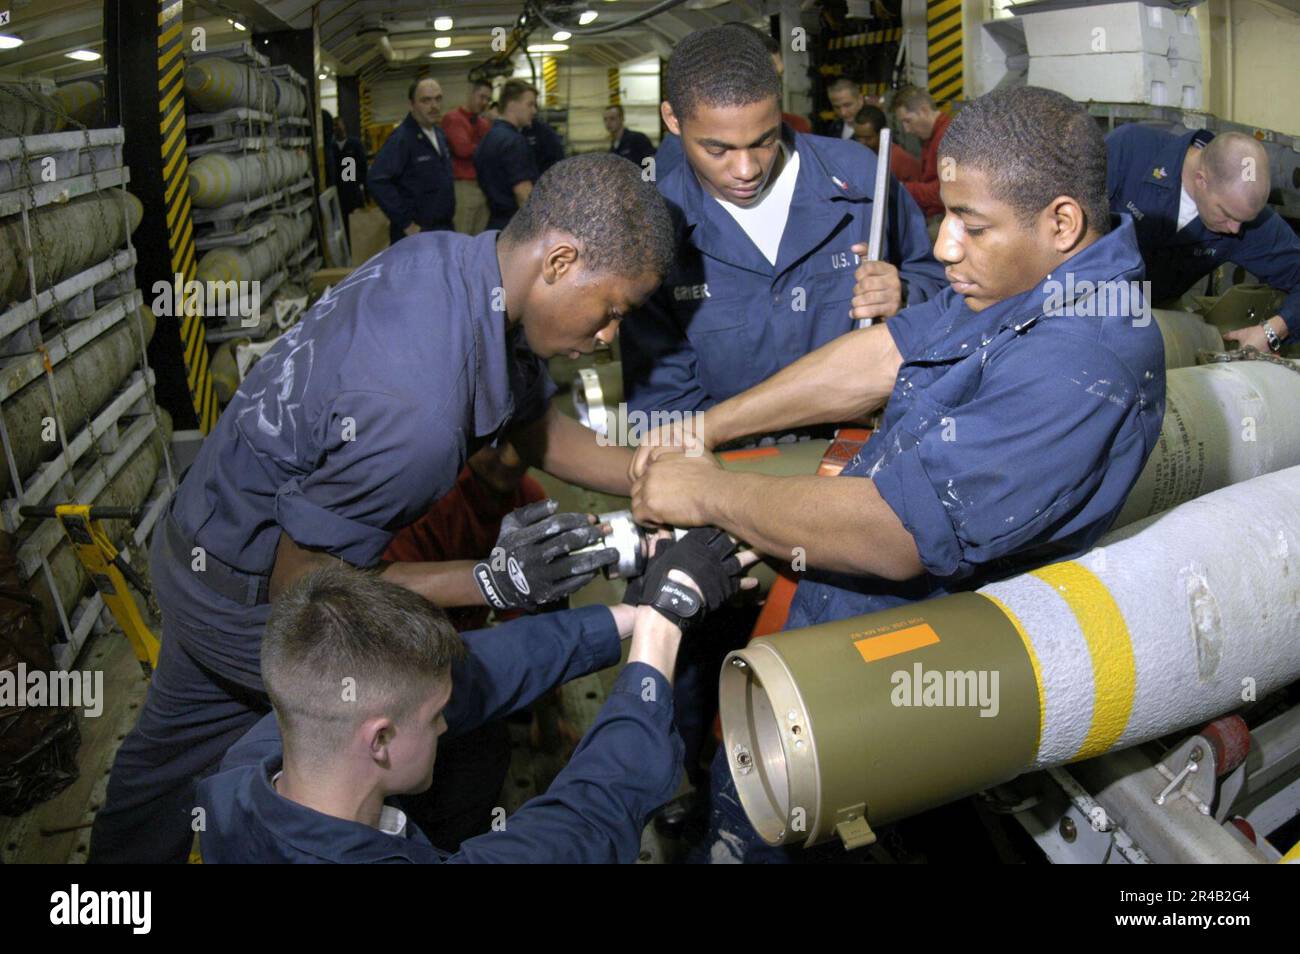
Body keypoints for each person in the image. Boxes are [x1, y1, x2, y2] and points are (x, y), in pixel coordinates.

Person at [88, 154, 677, 864]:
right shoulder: (416, 416)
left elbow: (531, 421)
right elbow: (309, 597)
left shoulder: (454, 264)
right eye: (611, 309)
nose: (611, 334)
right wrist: (493, 582)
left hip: (209, 528)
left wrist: (643, 476)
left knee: (164, 768)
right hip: (245, 596)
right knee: (435, 728)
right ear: (558, 260)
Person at [628, 85, 1167, 862]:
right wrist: (706, 427)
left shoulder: (1081, 356)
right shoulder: (1028, 280)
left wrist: (706, 489)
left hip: (912, 641)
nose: (944, 246)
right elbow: (885, 354)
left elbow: (895, 536)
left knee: (782, 820)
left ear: (1061, 222)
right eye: (947, 216)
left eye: (970, 226)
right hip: (843, 602)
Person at [197, 534, 755, 863]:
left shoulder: (243, 775)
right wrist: (665, 624)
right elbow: (581, 825)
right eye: (435, 716)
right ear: (381, 738)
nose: (446, 725)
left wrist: (627, 618)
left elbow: (479, 671)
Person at [621, 24, 946, 417]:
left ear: (779, 109)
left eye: (763, 140)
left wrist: (907, 296)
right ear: (673, 120)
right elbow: (662, 401)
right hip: (732, 463)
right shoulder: (655, 226)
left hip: (863, 448)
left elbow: (948, 292)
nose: (745, 170)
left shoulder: (861, 180)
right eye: (717, 149)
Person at [1106, 124, 1300, 352]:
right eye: (1226, 215)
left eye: (1243, 221)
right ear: (1201, 180)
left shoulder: (1244, 219)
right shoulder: (1130, 151)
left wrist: (1273, 330)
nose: (1235, 229)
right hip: (1082, 296)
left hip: (1152, 312)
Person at [369, 77, 455, 245]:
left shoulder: (439, 134)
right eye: (426, 100)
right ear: (411, 105)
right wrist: (406, 223)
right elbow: (377, 180)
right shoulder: (402, 139)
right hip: (417, 235)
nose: (434, 106)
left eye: (438, 99)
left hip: (442, 229)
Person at [476, 80, 540, 231]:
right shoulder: (514, 142)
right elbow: (524, 194)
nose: (534, 111)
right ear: (512, 105)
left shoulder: (488, 138)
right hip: (514, 225)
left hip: (494, 224)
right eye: (529, 104)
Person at [442, 78, 493, 236]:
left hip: (482, 185)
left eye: (488, 99)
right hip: (463, 186)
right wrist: (485, 149)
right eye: (481, 96)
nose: (484, 102)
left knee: (480, 235)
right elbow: (462, 149)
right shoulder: (453, 118)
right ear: (471, 94)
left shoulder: (483, 123)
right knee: (462, 234)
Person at [892, 85, 951, 220]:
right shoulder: (932, 138)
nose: (907, 130)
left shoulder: (948, 138)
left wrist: (903, 188)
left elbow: (945, 190)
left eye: (908, 121)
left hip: (944, 217)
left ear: (924, 110)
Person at [852, 103, 921, 184]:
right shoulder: (857, 156)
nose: (861, 143)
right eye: (858, 137)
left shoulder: (901, 161)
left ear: (883, 133)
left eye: (868, 138)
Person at [332, 116, 368, 254]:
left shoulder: (354, 144)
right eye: (334, 126)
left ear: (344, 126)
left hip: (353, 191)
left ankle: (360, 249)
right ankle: (348, 251)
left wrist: (364, 189)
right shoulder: (332, 147)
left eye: (338, 125)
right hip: (339, 193)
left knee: (356, 221)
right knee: (343, 223)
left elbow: (363, 167)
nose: (336, 128)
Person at [605, 104, 656, 169]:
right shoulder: (613, 146)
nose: (608, 123)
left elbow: (652, 162)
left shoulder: (638, 138)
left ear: (622, 118)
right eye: (605, 119)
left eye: (612, 118)